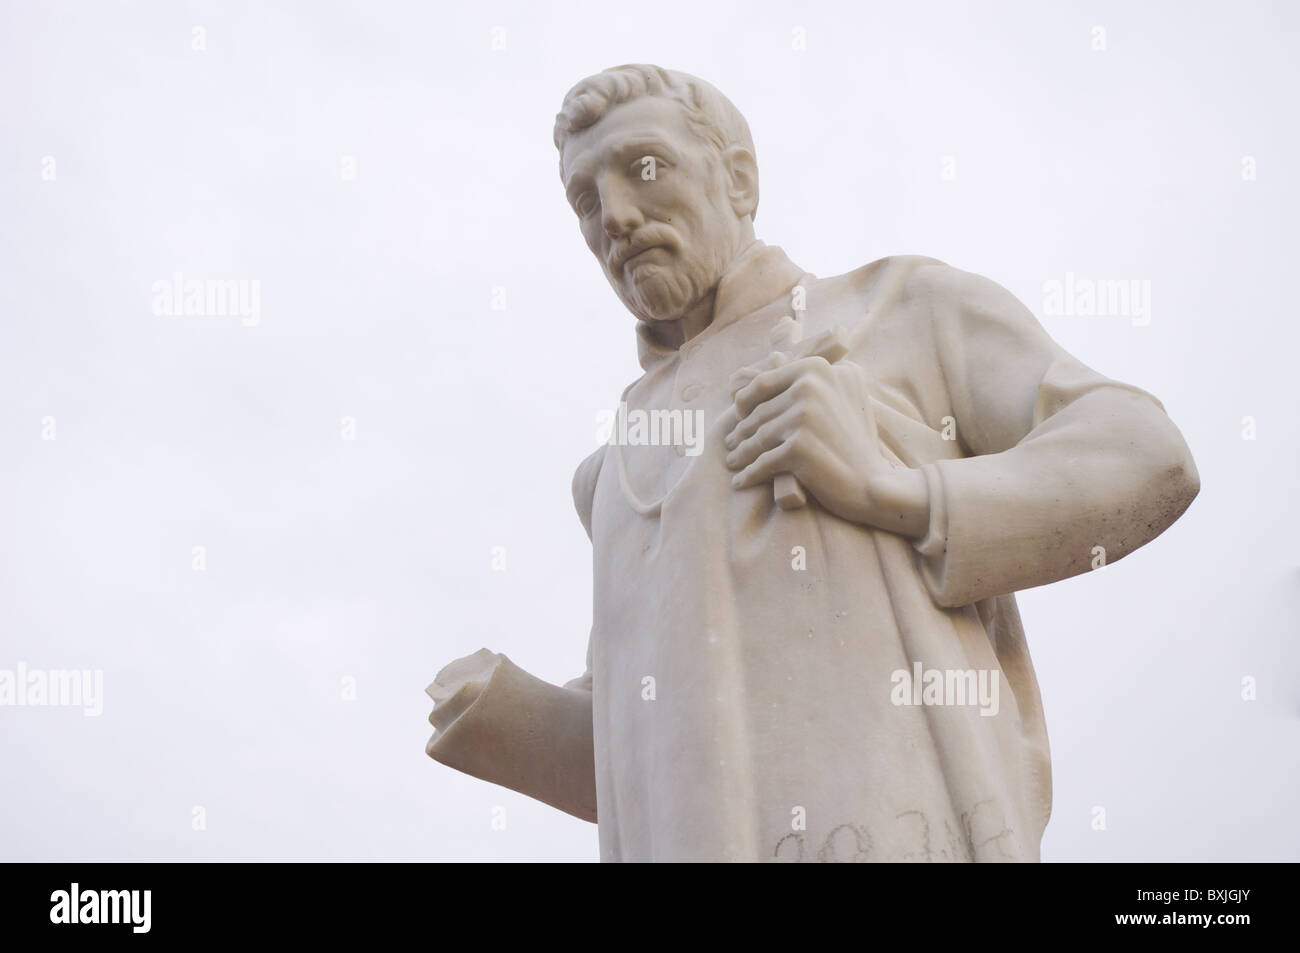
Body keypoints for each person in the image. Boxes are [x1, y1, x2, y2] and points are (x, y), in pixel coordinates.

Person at [425, 64, 1200, 862]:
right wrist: (503, 716)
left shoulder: (903, 311)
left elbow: (1144, 454)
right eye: (585, 200)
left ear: (738, 178)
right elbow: (660, 752)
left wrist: (896, 491)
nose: (615, 216)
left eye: (643, 169)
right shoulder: (610, 475)